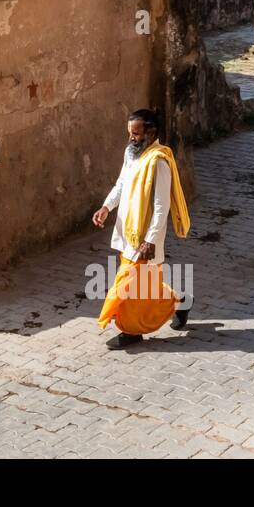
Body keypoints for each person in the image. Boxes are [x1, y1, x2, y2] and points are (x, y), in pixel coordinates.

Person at [91, 108, 191, 349]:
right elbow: (121, 184)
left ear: (151, 132)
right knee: (146, 288)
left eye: (135, 133)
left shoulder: (159, 162)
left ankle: (131, 331)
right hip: (128, 231)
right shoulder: (131, 154)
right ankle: (179, 302)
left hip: (145, 238)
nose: (131, 138)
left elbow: (161, 206)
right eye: (129, 133)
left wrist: (151, 240)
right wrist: (106, 207)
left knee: (128, 285)